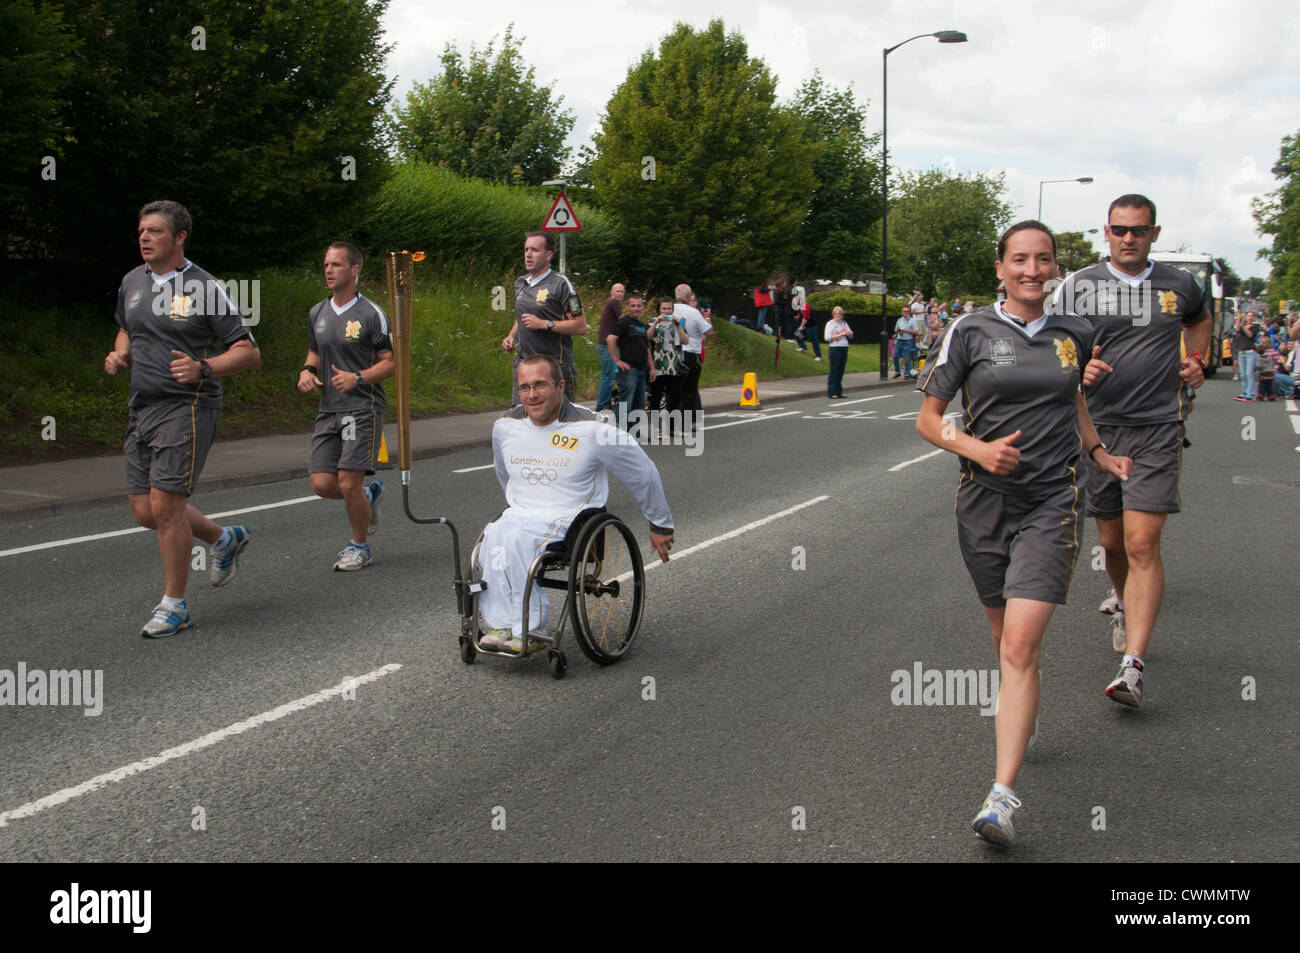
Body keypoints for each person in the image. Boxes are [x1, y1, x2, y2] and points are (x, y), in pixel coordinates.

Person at [917, 220, 1132, 847]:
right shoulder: (970, 331)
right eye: (1020, 260)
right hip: (982, 505)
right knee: (1003, 643)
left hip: (1052, 503)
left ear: (1055, 266)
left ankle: (1001, 797)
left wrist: (1098, 455)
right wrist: (979, 449)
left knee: (1019, 648)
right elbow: (930, 421)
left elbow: (1074, 401)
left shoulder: (1074, 332)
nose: (1032, 270)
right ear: (1000, 267)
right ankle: (1021, 713)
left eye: (1043, 260)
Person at [1052, 194, 1211, 706]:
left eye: (1139, 230)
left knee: (1144, 543)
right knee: (1114, 543)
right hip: (1097, 431)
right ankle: (1123, 599)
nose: (1129, 238)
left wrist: (1198, 359)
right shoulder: (1080, 286)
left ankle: (1133, 666)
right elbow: (1052, 342)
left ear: (1155, 234)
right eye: (1120, 229)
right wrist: (1076, 369)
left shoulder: (1180, 284)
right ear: (1106, 231)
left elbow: (1199, 319)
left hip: (1158, 427)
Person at [104, 200, 262, 638]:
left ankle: (175, 606)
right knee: (143, 510)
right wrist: (121, 353)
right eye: (141, 230)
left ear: (178, 238)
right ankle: (223, 538)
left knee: (166, 508)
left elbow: (248, 351)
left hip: (187, 405)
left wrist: (203, 367)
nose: (144, 237)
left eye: (154, 231)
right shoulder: (132, 281)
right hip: (143, 405)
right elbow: (126, 327)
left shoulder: (206, 288)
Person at [476, 355, 675, 653]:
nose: (532, 395)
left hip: (569, 516)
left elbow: (641, 471)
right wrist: (518, 503)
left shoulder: (593, 429)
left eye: (540, 385)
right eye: (525, 387)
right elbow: (503, 472)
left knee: (516, 540)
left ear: (560, 386)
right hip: (520, 512)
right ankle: (500, 623)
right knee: (492, 539)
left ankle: (527, 628)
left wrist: (660, 523)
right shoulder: (505, 426)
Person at [297, 242, 394, 571]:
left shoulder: (371, 314)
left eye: (336, 265)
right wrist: (307, 371)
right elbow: (314, 352)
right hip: (328, 409)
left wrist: (358, 378)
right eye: (326, 264)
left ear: (354, 270)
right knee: (323, 485)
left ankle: (359, 546)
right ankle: (366, 500)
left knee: (348, 482)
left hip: (362, 408)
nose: (328, 270)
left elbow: (391, 363)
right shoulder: (317, 313)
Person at [501, 231, 586, 403]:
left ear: (548, 255)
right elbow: (521, 316)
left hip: (554, 368)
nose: (528, 255)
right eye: (526, 250)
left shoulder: (562, 284)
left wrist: (544, 324)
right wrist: (511, 336)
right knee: (521, 423)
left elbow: (580, 326)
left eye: (534, 250)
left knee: (557, 426)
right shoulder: (520, 283)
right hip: (524, 366)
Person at [608, 294, 650, 429]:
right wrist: (616, 360)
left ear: (642, 307)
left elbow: (646, 347)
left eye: (639, 306)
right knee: (625, 404)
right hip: (628, 370)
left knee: (638, 405)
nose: (636, 308)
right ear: (627, 307)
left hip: (641, 369)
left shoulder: (641, 325)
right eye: (633, 305)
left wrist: (652, 367)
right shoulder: (623, 323)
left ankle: (633, 435)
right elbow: (610, 339)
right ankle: (617, 433)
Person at [675, 284, 712, 433]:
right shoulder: (694, 312)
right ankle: (685, 424)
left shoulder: (669, 309)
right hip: (690, 353)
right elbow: (708, 331)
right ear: (688, 296)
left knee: (673, 389)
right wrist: (707, 319)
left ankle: (671, 422)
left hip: (673, 352)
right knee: (689, 391)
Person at [646, 296, 687, 432]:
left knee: (675, 396)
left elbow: (685, 340)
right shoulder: (652, 321)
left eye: (669, 308)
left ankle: (672, 426)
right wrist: (656, 322)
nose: (666, 311)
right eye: (664, 308)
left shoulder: (679, 322)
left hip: (674, 364)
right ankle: (655, 427)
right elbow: (647, 338)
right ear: (659, 309)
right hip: (658, 363)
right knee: (656, 396)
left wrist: (678, 326)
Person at [595, 283, 625, 412]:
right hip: (608, 346)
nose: (620, 294)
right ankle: (602, 406)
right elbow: (623, 320)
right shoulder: (614, 302)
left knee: (610, 375)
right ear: (611, 292)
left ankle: (606, 403)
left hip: (605, 345)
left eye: (622, 292)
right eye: (617, 291)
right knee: (608, 376)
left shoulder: (610, 303)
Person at [1232, 311, 1262, 402]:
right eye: (1248, 316)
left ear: (1254, 318)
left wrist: (1244, 326)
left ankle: (1250, 394)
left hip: (1250, 352)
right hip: (1242, 352)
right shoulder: (1242, 326)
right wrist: (1238, 319)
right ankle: (1244, 392)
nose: (1250, 318)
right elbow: (1237, 329)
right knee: (1243, 374)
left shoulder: (1255, 327)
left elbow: (1250, 335)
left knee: (1249, 374)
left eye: (1251, 316)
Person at [824, 305, 853, 398]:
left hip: (844, 346)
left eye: (840, 314)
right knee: (834, 370)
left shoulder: (844, 323)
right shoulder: (830, 324)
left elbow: (851, 334)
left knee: (841, 370)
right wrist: (841, 334)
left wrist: (849, 333)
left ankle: (838, 391)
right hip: (835, 347)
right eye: (836, 314)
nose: (838, 315)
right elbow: (827, 337)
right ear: (833, 314)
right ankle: (831, 392)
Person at [894, 305, 922, 379]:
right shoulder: (899, 320)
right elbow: (896, 329)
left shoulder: (913, 321)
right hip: (899, 340)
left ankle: (907, 373)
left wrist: (906, 330)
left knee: (907, 357)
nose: (905, 313)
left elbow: (916, 331)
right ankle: (897, 372)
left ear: (909, 312)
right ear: (902, 312)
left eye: (907, 311)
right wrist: (897, 330)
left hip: (908, 340)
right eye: (904, 311)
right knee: (895, 356)